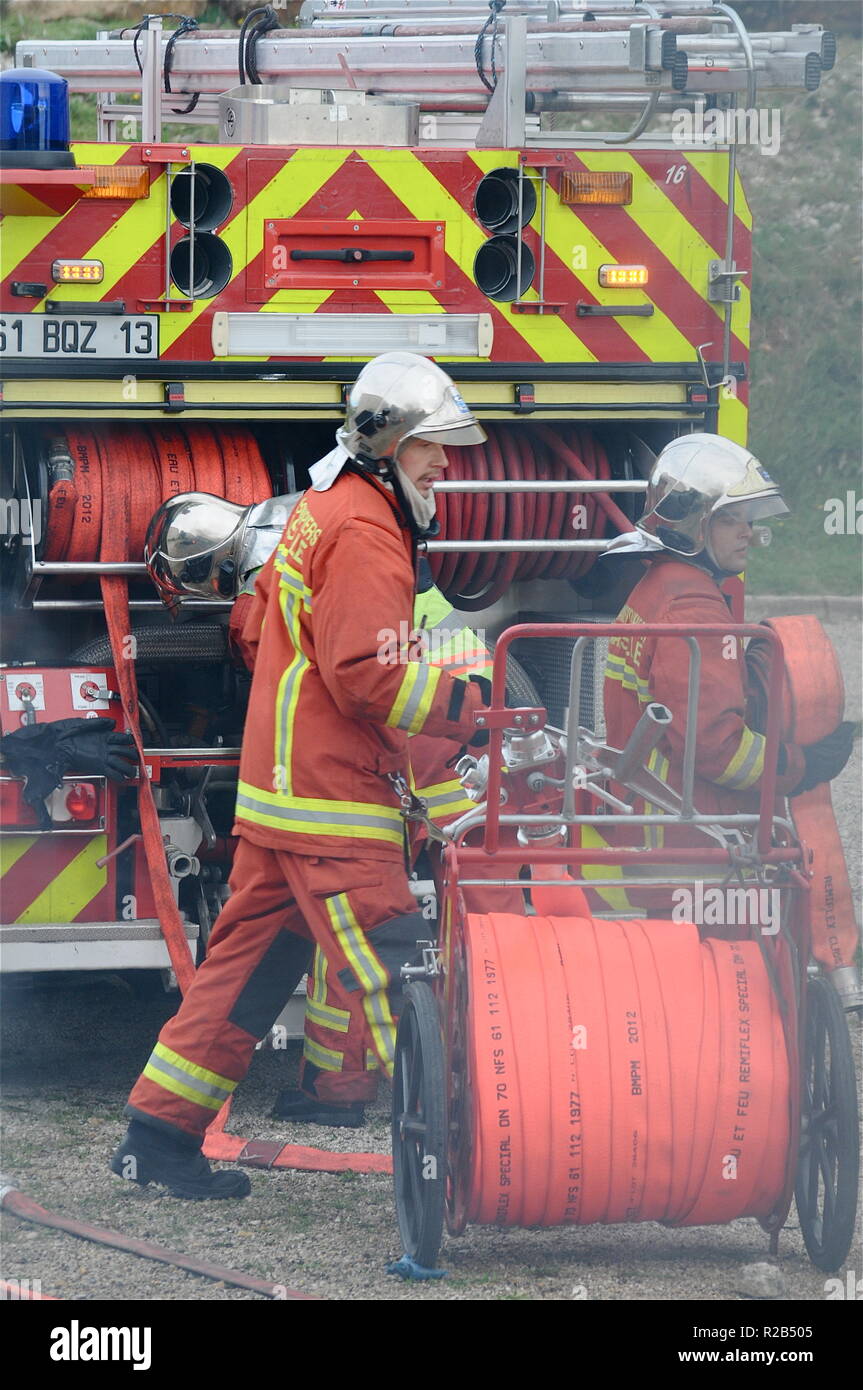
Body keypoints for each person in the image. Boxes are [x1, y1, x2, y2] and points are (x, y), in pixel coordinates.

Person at [110, 353, 493, 1197]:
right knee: (398, 977)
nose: (445, 462)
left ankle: (158, 1138)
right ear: (391, 444)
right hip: (334, 804)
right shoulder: (363, 531)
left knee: (242, 976)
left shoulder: (321, 511)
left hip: (282, 798)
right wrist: (471, 705)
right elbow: (365, 673)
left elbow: (280, 643)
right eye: (433, 446)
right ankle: (472, 1158)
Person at [601, 432, 859, 1006]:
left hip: (652, 835)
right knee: (726, 1006)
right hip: (694, 845)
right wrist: (800, 765)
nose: (749, 531)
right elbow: (718, 749)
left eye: (748, 518)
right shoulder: (695, 607)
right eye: (732, 518)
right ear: (692, 526)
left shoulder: (653, 589)